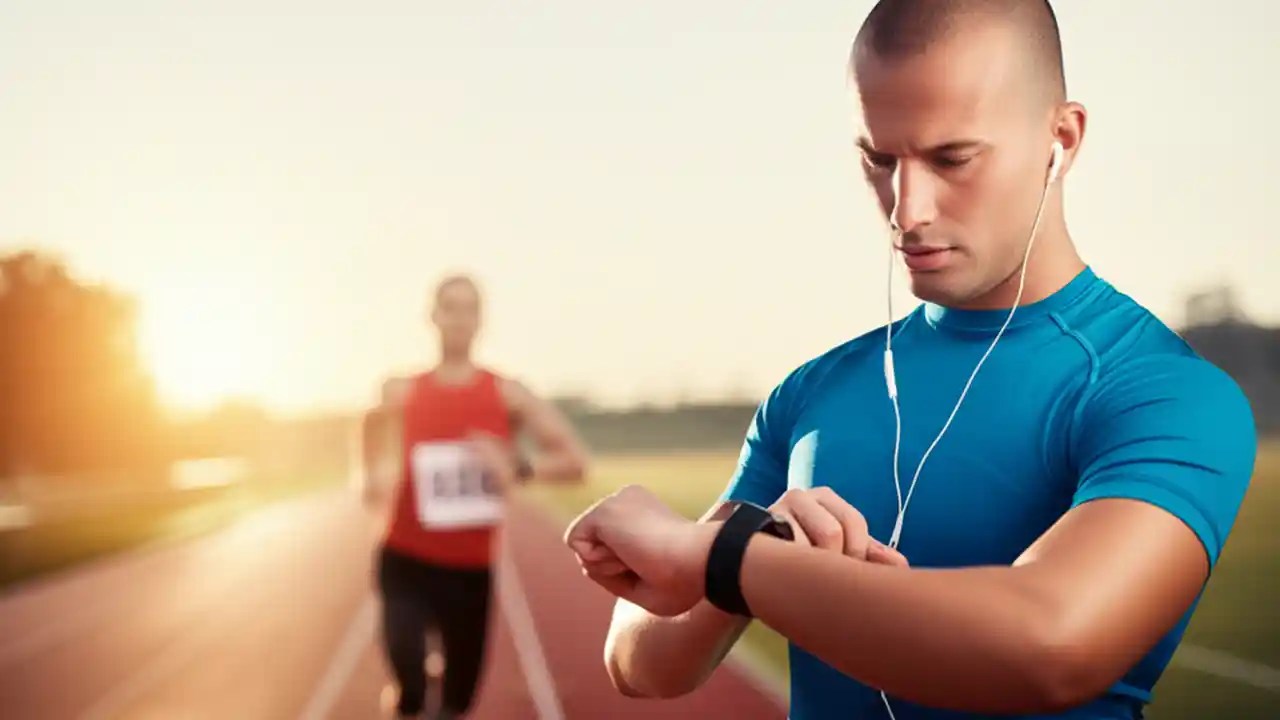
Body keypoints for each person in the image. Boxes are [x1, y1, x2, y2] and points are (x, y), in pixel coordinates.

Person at [564, 2, 1257, 719]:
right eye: (879, 160)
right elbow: (642, 663)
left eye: (951, 158)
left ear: (1062, 138)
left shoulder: (1164, 393)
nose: (906, 210)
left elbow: (1051, 647)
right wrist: (759, 537)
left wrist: (723, 557)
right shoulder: (811, 392)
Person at [363, 272, 590, 720]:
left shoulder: (508, 395)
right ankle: (409, 692)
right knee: (409, 692)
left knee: (456, 705)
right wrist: (368, 471)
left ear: (480, 320)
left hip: (470, 571)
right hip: (404, 557)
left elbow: (574, 462)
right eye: (450, 307)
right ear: (433, 316)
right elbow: (370, 421)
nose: (459, 319)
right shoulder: (402, 390)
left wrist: (518, 466)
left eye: (469, 309)